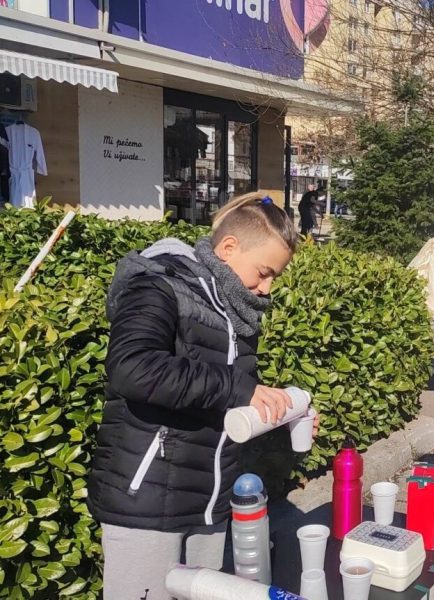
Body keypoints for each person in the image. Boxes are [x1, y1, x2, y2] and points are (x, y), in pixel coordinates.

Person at [88, 192, 302, 598]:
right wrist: (239, 387)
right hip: (147, 504)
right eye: (263, 272)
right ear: (229, 247)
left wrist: (283, 415)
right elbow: (133, 368)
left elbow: (225, 400)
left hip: (209, 503)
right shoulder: (159, 285)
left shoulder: (234, 312)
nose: (266, 288)